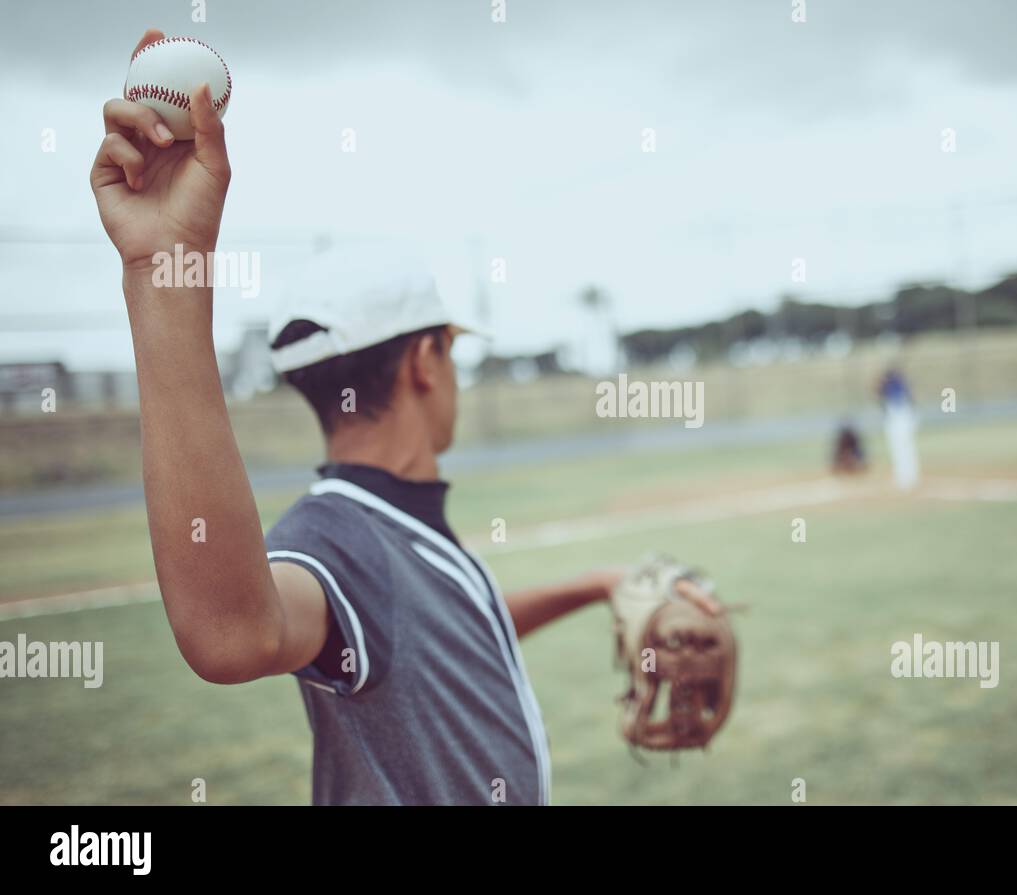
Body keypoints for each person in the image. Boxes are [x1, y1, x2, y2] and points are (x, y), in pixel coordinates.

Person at [89, 29, 719, 805]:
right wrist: (164, 270)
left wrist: (595, 583)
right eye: (451, 349)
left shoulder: (385, 529)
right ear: (425, 359)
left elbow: (440, 631)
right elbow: (232, 631)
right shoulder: (337, 538)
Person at [877, 366, 920, 490]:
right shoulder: (899, 385)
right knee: (903, 447)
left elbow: (881, 396)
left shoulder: (893, 385)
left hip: (898, 417)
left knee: (901, 447)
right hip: (901, 416)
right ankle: (906, 476)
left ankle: (906, 477)